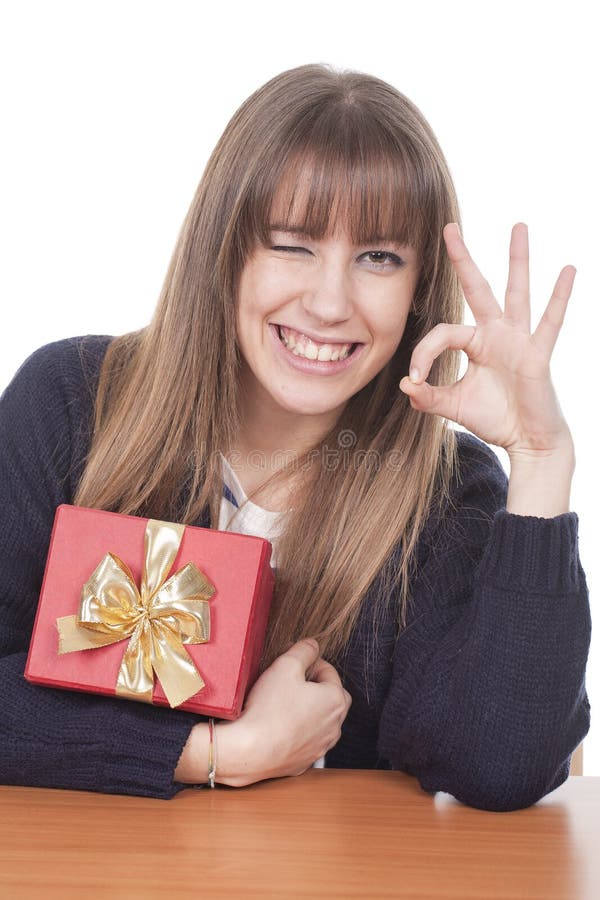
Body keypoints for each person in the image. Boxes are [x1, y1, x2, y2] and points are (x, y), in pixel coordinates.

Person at [0, 64, 590, 811]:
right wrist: (216, 752)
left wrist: (541, 461)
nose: (330, 302)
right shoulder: (71, 402)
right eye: (291, 244)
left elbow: (495, 766)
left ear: (416, 294)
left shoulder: (448, 495)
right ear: (225, 252)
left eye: (379, 257)